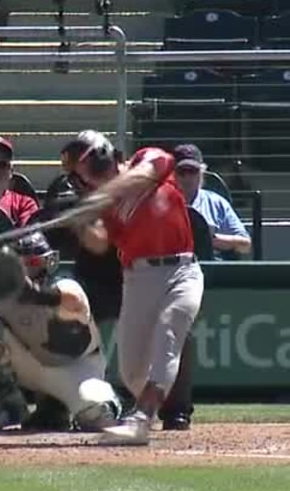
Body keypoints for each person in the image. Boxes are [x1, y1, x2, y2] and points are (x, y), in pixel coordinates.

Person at [72, 131, 203, 444]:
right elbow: (99, 243)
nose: (91, 178)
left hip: (182, 270)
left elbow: (148, 172)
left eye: (90, 169)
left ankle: (141, 418)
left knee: (169, 333)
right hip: (138, 278)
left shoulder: (145, 159)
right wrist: (80, 220)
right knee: (131, 372)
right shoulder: (105, 204)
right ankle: (151, 400)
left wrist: (100, 196)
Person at [0, 231, 122, 433]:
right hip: (31, 363)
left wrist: (34, 294)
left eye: (33, 262)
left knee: (97, 414)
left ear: (48, 262)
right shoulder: (2, 296)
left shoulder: (63, 284)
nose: (27, 269)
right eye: (21, 264)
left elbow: (73, 301)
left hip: (76, 368)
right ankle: (7, 406)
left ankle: (61, 407)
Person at [173, 144, 250, 258]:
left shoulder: (216, 203)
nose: (187, 177)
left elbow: (245, 245)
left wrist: (209, 239)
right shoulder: (161, 204)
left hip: (211, 264)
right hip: (174, 265)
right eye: (182, 172)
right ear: (172, 174)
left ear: (202, 172)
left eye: (193, 171)